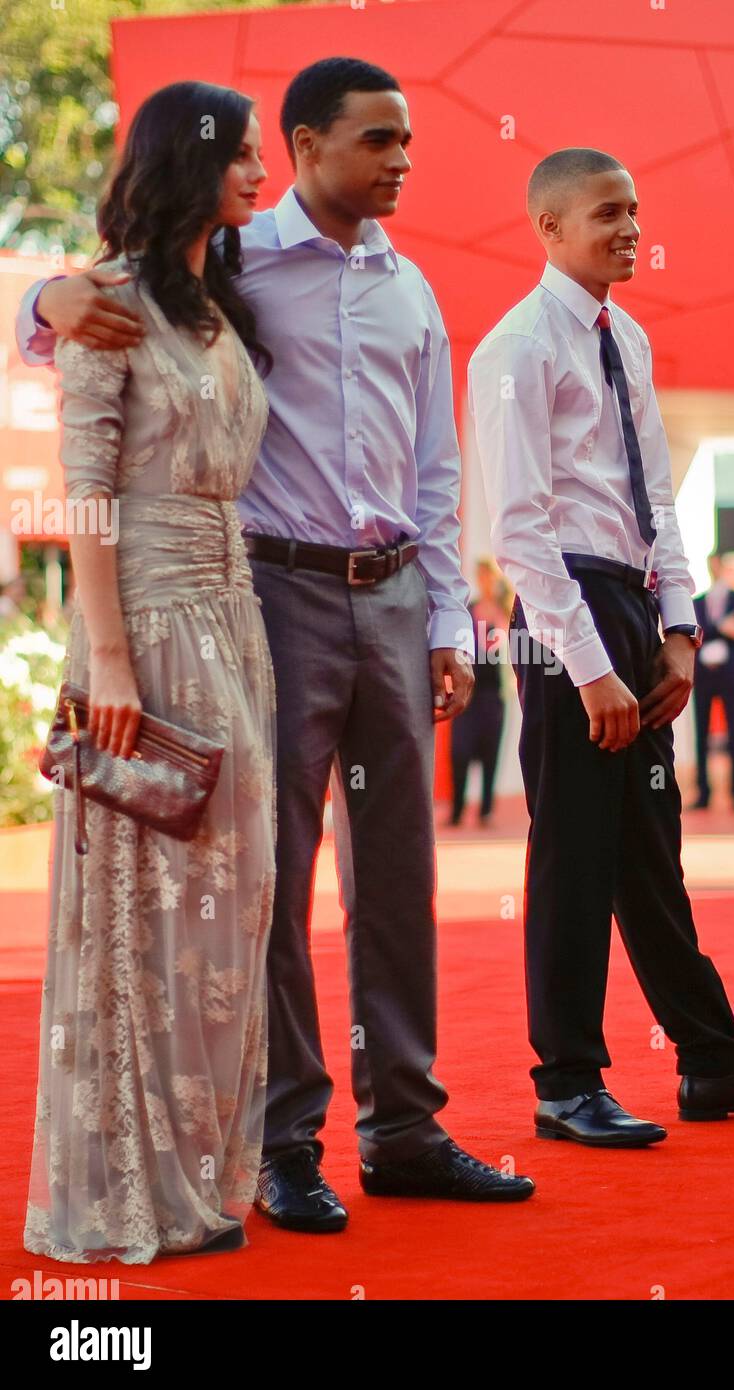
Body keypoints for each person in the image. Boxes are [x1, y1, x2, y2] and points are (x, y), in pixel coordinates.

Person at [18, 57, 535, 1227]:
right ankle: (286, 1140)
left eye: (409, 140)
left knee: (398, 872)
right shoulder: (233, 257)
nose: (403, 161)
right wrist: (38, 301)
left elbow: (436, 473)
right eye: (380, 140)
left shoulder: (411, 290)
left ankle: (404, 1125)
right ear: (305, 146)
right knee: (267, 877)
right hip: (273, 594)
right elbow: (101, 313)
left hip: (396, 599)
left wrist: (450, 619)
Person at [468, 147, 734, 1144]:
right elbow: (520, 528)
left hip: (634, 608)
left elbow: (656, 504)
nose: (631, 229)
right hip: (564, 617)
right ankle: (566, 1083)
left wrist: (679, 630)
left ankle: (711, 1061)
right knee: (575, 857)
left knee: (651, 852)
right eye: (606, 214)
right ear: (549, 227)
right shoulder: (513, 349)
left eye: (634, 212)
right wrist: (588, 667)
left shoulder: (624, 336)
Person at [23, 81, 276, 1262]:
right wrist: (109, 662)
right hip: (149, 622)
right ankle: (134, 1185)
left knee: (236, 899)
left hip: (237, 618)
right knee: (151, 894)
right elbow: (84, 490)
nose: (260, 176)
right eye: (243, 157)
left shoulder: (221, 308)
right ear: (191, 158)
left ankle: (199, 1172)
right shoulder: (107, 305)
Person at [691, 551, 734, 811]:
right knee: (701, 736)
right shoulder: (698, 602)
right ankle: (703, 792)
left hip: (732, 675)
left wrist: (712, 628)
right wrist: (722, 626)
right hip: (705, 676)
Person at [448, 558, 509, 828]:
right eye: (480, 575)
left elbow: (511, 644)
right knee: (459, 752)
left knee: (490, 752)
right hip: (469, 688)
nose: (484, 580)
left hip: (494, 692)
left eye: (488, 576)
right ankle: (457, 810)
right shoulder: (469, 609)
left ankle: (485, 811)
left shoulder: (505, 609)